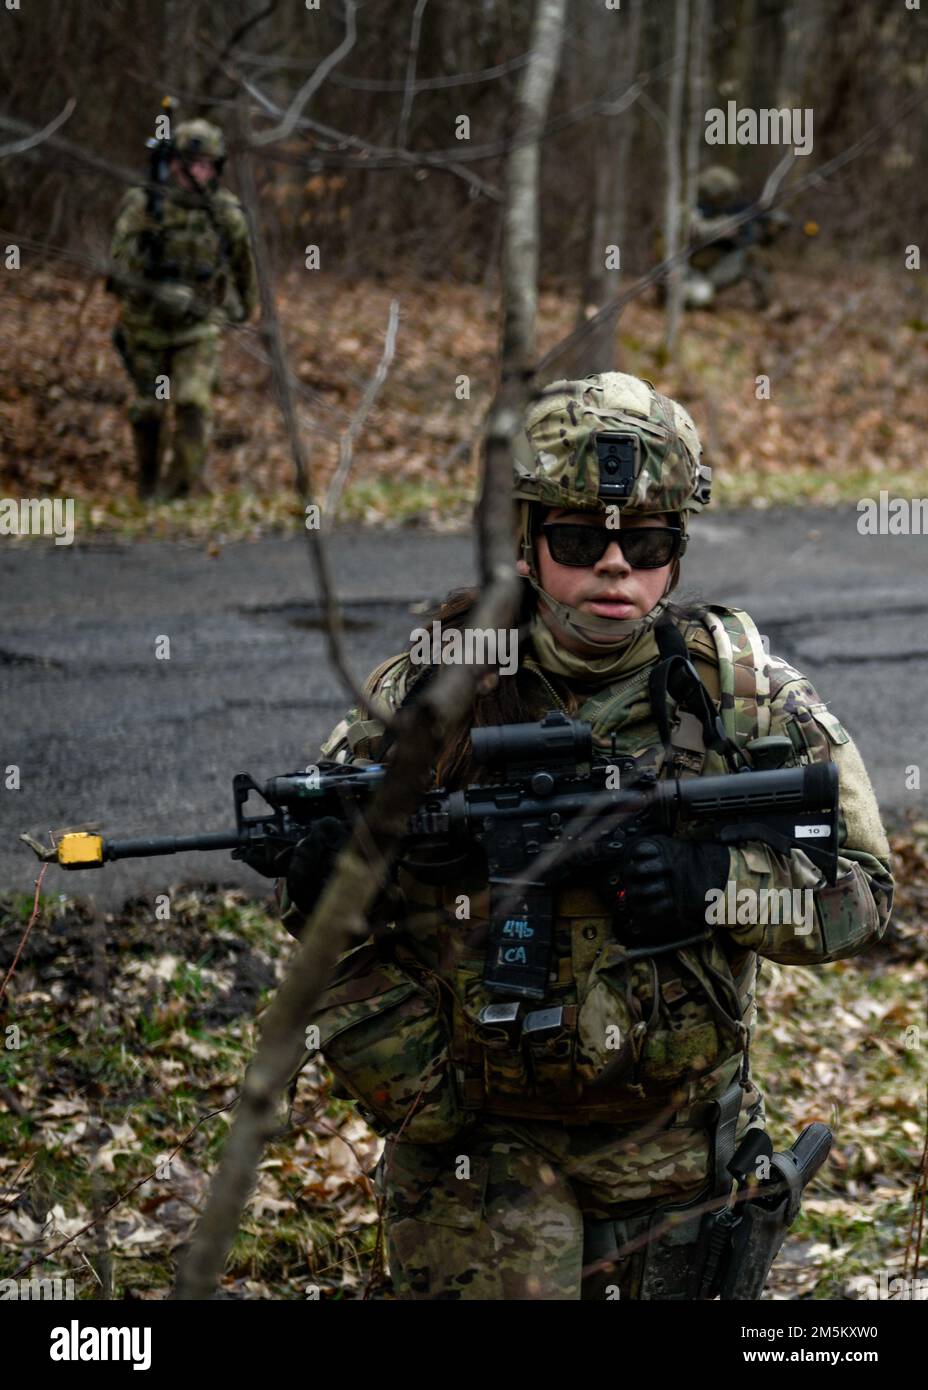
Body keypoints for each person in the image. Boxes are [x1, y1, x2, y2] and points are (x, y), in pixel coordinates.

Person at [278, 372, 894, 1300]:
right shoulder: (434, 689)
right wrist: (323, 875)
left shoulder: (743, 694)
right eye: (580, 539)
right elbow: (317, 907)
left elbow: (865, 892)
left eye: (646, 542)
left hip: (678, 1152)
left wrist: (712, 882)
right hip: (480, 1159)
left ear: (677, 556)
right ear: (526, 546)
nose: (616, 568)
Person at [108, 119, 258, 500]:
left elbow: (244, 265)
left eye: (208, 165)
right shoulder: (145, 205)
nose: (200, 172)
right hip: (148, 328)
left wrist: (247, 310)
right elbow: (117, 272)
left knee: (192, 402)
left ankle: (174, 495)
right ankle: (147, 487)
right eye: (192, 163)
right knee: (151, 409)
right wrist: (157, 290)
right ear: (174, 162)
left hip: (197, 328)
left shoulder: (224, 212)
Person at [685, 165, 790, 311]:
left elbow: (750, 241)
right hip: (689, 272)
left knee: (753, 254)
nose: (724, 199)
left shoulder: (731, 210)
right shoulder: (689, 208)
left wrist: (768, 229)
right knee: (698, 297)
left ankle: (769, 308)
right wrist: (721, 227)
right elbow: (693, 230)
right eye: (722, 195)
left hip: (713, 269)